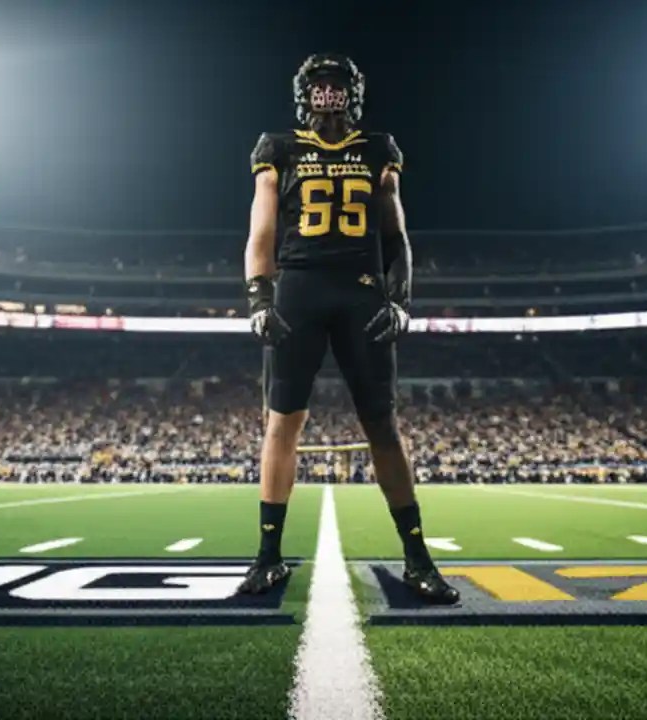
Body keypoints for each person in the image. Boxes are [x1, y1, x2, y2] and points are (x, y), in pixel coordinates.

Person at [238, 53, 459, 603]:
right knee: (281, 422)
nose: (329, 95)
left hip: (362, 290)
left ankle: (417, 557)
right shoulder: (278, 146)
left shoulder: (378, 148)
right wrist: (260, 295)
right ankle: (267, 556)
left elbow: (396, 234)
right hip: (299, 288)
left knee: (382, 424)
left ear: (353, 94)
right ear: (304, 93)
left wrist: (402, 299)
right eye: (321, 86)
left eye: (338, 87)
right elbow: (261, 229)